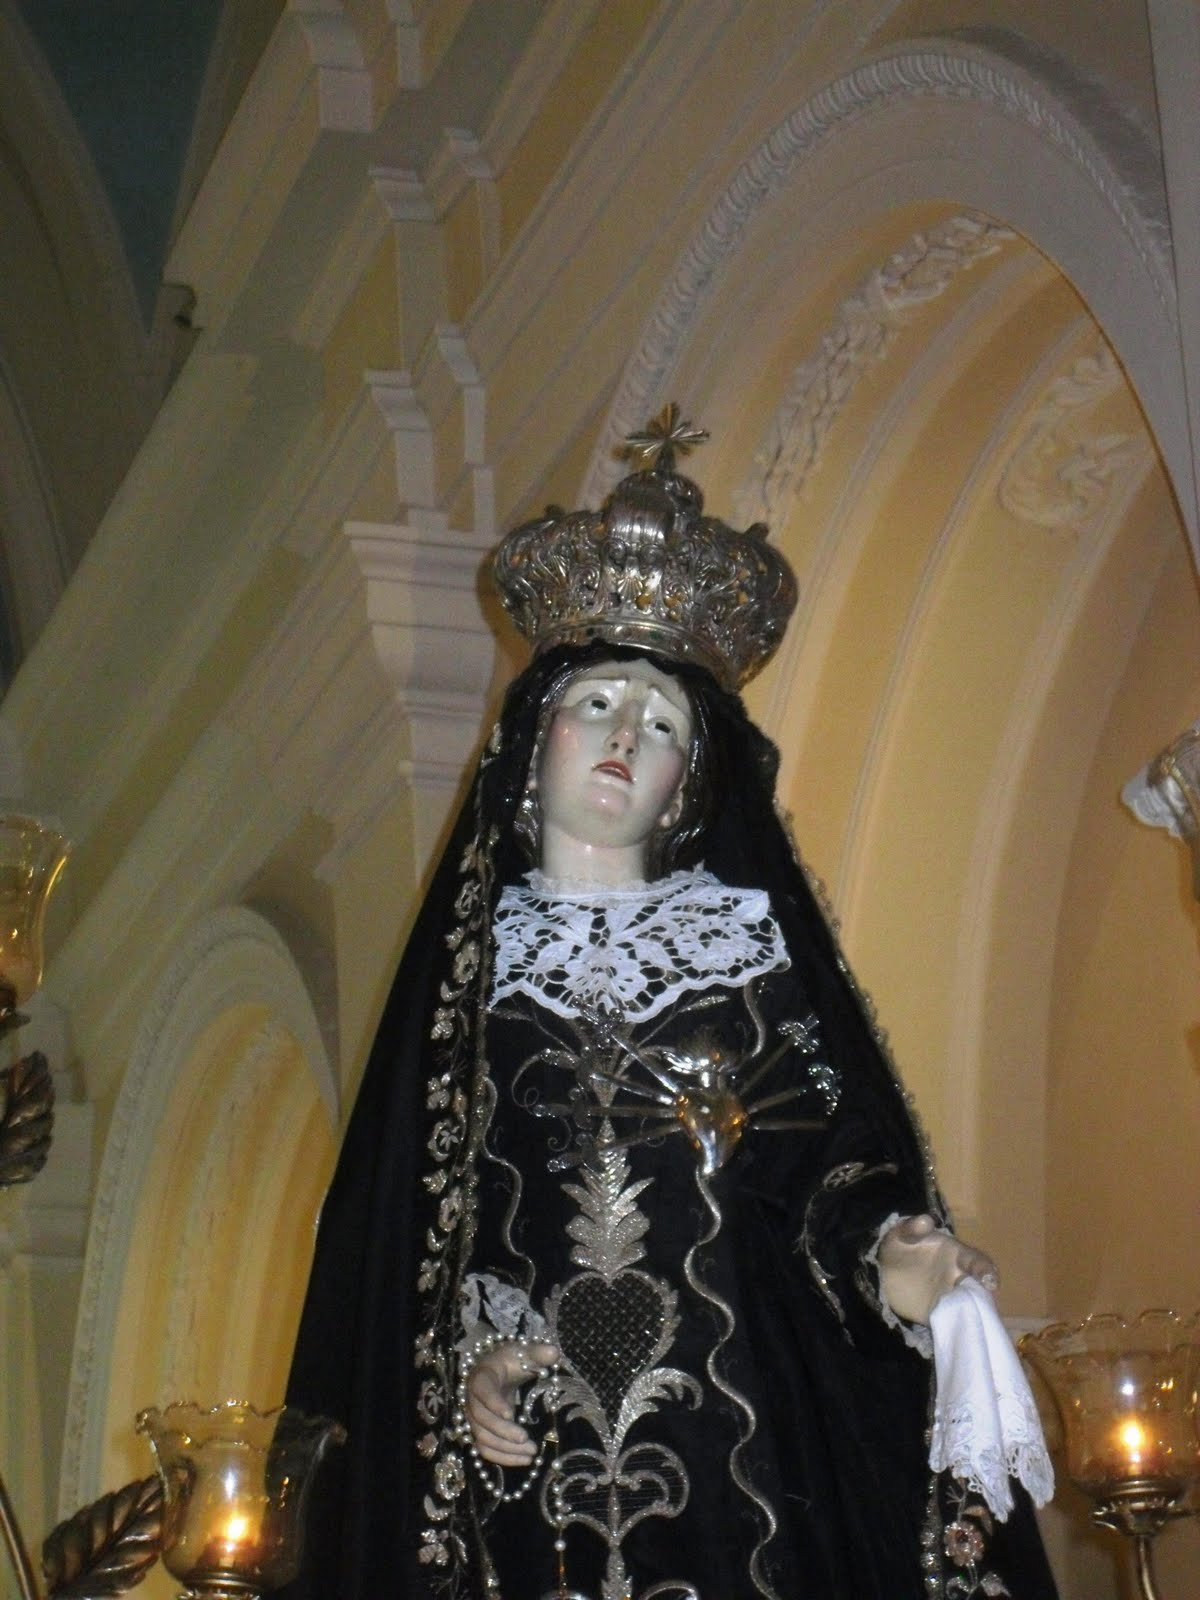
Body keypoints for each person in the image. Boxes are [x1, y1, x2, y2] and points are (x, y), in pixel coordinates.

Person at [286, 413, 1058, 1600]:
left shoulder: (741, 956)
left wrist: (885, 1248)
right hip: (530, 1469)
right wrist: (473, 1362)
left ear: (690, 787)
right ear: (529, 741)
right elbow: (419, 1235)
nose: (623, 738)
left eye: (660, 728)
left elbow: (828, 1158)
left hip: (741, 1429)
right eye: (597, 704)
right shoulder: (464, 984)